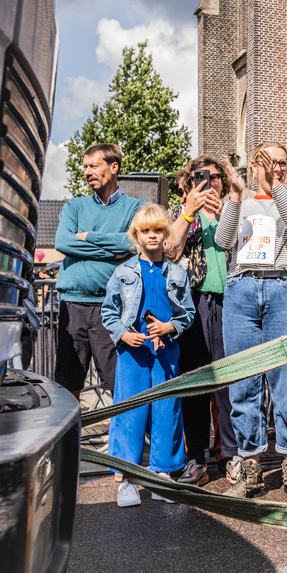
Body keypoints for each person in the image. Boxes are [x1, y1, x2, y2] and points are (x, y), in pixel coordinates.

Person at [216, 142, 287, 500]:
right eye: (271, 162)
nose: (279, 168)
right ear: (256, 164)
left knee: (286, 380)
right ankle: (251, 469)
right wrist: (235, 196)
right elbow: (222, 240)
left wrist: (274, 188)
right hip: (241, 288)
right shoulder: (241, 200)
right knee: (243, 381)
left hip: (284, 288)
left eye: (284, 163)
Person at [100, 205, 196, 508]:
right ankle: (127, 479)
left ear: (165, 234)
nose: (152, 236)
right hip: (133, 357)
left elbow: (188, 314)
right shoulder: (123, 272)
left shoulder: (178, 273)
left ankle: (162, 476)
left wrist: (170, 326)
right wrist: (124, 334)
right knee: (130, 415)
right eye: (146, 231)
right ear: (136, 235)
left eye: (157, 230)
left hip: (166, 355)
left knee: (167, 413)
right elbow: (108, 311)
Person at [165, 156, 234, 485]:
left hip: (232, 300)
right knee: (195, 382)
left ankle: (232, 455)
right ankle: (197, 459)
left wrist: (226, 214)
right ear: (188, 184)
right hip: (194, 301)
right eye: (201, 178)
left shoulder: (233, 210)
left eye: (216, 177)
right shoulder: (183, 215)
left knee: (230, 380)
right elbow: (169, 250)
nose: (211, 183)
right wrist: (188, 212)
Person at [54, 143, 142, 398]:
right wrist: (111, 250)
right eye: (85, 167)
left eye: (94, 165)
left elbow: (131, 243)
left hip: (112, 307)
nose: (87, 172)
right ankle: (71, 439)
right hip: (72, 306)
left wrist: (87, 238)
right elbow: (62, 243)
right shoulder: (74, 207)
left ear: (114, 167)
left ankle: (121, 439)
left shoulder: (135, 208)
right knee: (68, 385)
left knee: (118, 385)